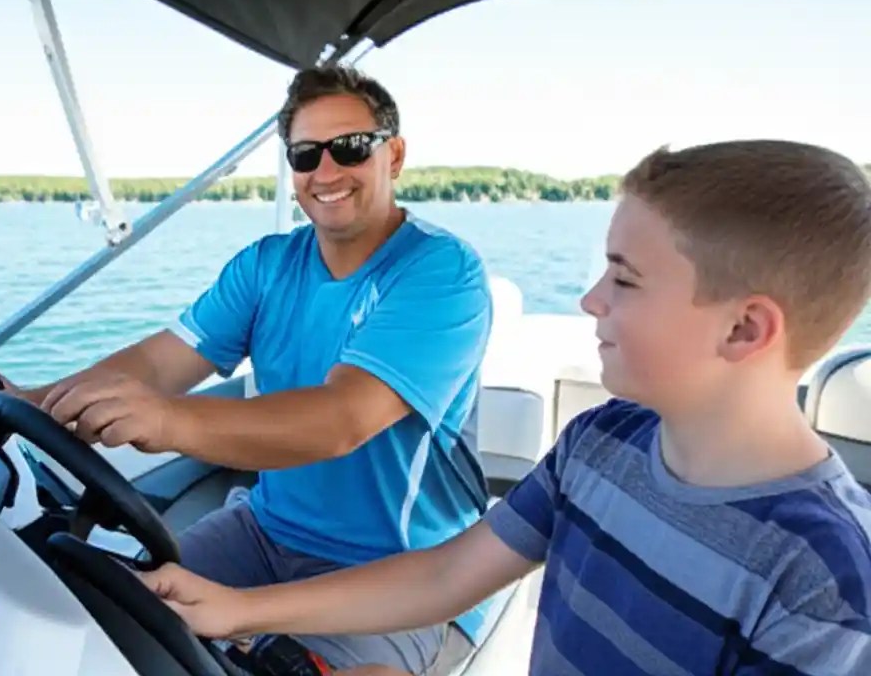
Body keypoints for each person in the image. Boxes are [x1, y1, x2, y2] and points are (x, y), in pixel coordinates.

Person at [138, 139, 871, 676]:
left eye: (625, 279)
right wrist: (237, 609)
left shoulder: (825, 577)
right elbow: (445, 577)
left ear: (743, 329)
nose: (591, 300)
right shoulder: (600, 442)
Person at [0, 65, 494, 674]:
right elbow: (158, 362)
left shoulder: (441, 272)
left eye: (350, 148)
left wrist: (166, 420)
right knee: (101, 619)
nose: (326, 172)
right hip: (265, 529)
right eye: (305, 154)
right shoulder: (267, 265)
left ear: (393, 155)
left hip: (396, 569)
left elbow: (340, 419)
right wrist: (31, 402)